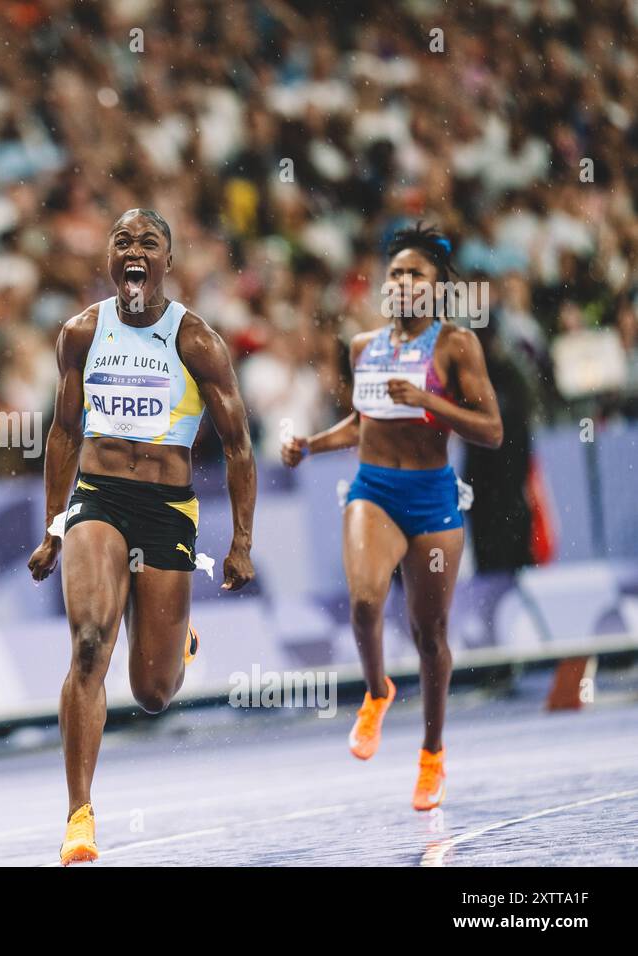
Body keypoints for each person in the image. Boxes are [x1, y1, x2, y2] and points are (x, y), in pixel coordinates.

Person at [28, 209, 256, 865]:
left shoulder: (197, 341)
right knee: (90, 641)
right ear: (109, 259)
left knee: (155, 692)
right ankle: (79, 815)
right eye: (122, 240)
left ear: (167, 262)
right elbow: (65, 434)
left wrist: (241, 540)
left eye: (148, 241)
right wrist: (53, 526)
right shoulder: (80, 333)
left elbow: (239, 448)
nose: (133, 249)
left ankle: (176, 640)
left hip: (167, 508)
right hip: (100, 499)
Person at [282, 224, 503, 811]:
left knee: (430, 636)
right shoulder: (363, 347)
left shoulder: (456, 346)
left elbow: (492, 431)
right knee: (364, 600)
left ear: (435, 289)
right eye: (397, 273)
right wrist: (309, 445)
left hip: (432, 499)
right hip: (372, 490)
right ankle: (377, 691)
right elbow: (363, 424)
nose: (404, 281)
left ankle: (432, 754)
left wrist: (429, 401)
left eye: (417, 274)